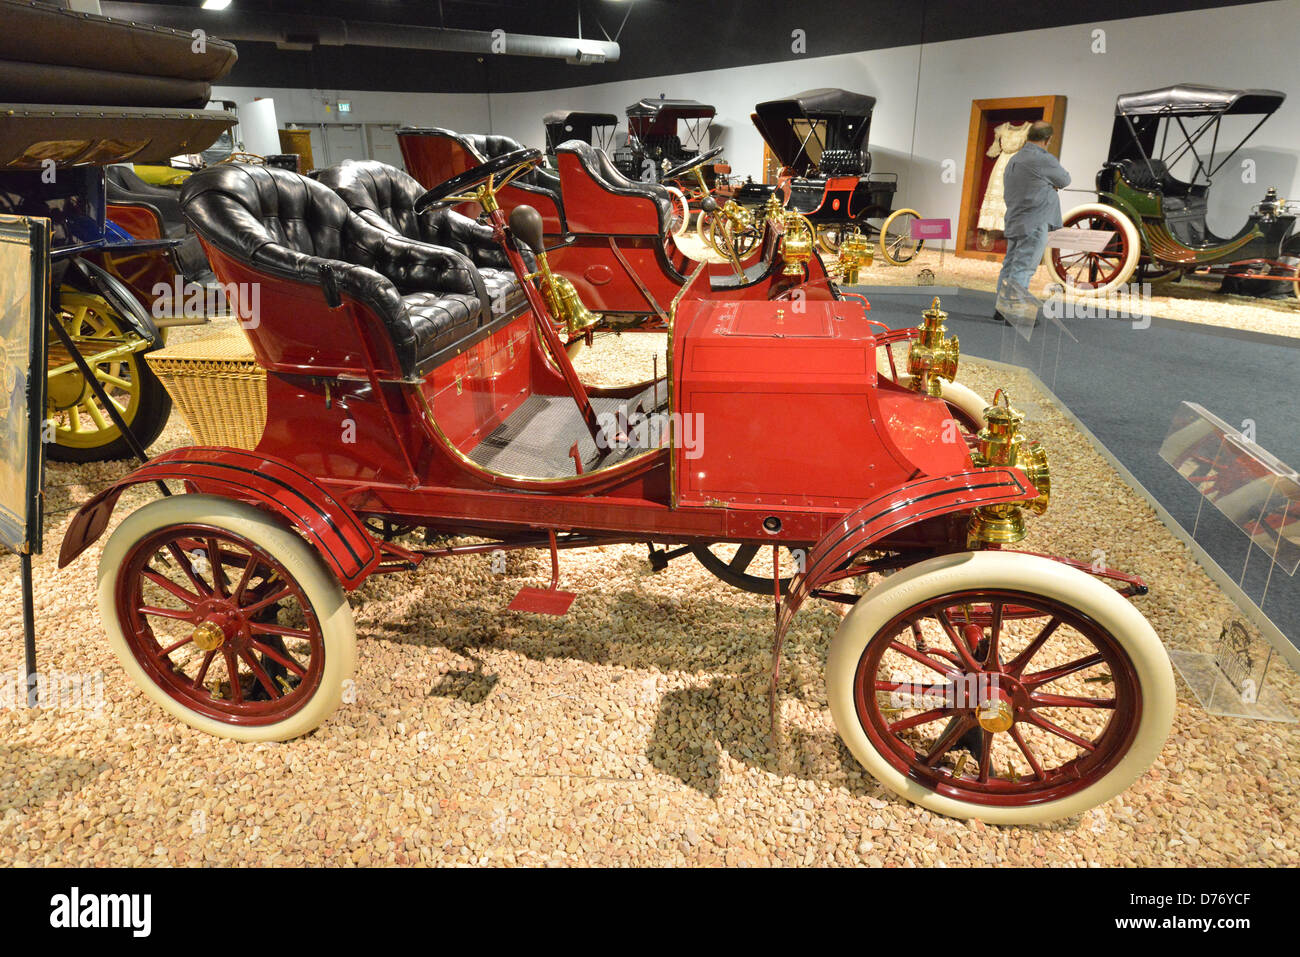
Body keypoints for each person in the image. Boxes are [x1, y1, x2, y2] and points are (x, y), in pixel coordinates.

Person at [995, 121, 1070, 321]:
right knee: (1024, 267)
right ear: (1049, 139)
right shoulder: (1043, 159)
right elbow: (1065, 180)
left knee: (1010, 264)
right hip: (1035, 220)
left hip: (1016, 218)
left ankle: (1001, 307)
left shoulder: (1015, 158)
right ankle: (1014, 312)